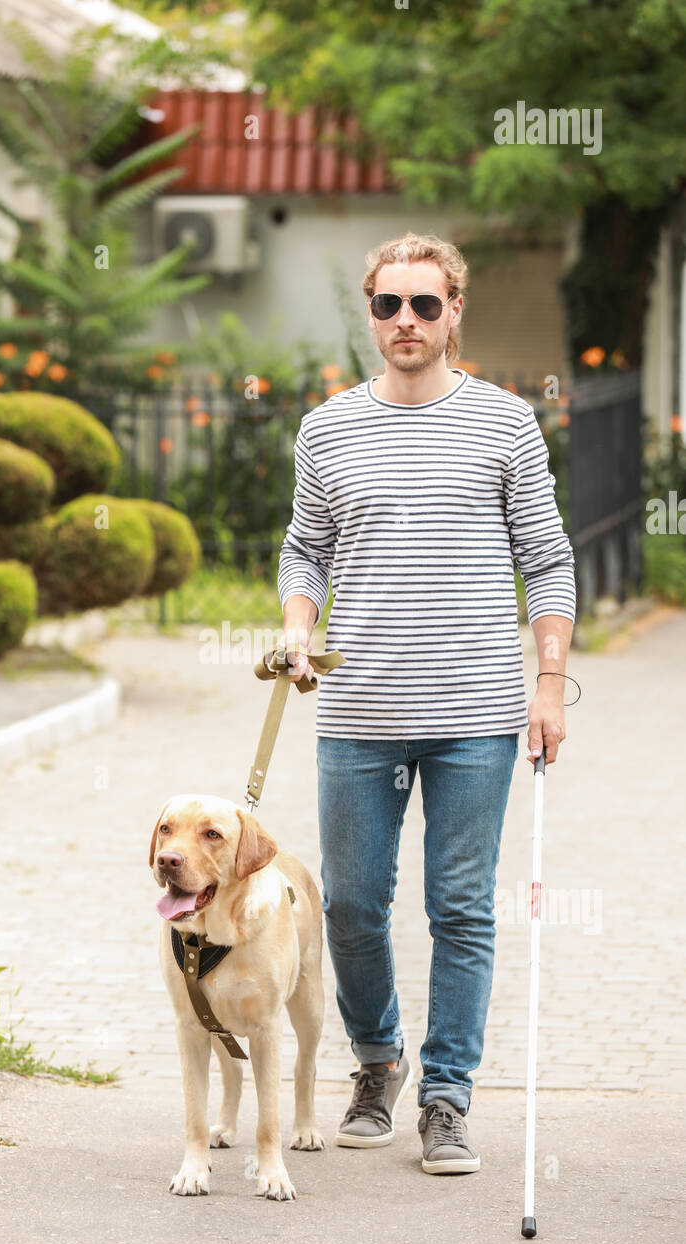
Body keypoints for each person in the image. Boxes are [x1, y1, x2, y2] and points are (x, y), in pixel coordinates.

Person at [276, 232, 575, 1173]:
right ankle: (377, 1061)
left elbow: (550, 559)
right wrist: (295, 625)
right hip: (357, 706)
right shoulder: (327, 428)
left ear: (456, 313)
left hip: (477, 712)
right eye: (388, 305)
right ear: (370, 312)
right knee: (354, 905)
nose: (406, 322)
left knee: (461, 908)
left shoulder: (504, 424)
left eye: (426, 305)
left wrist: (548, 683)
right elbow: (304, 550)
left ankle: (447, 1097)